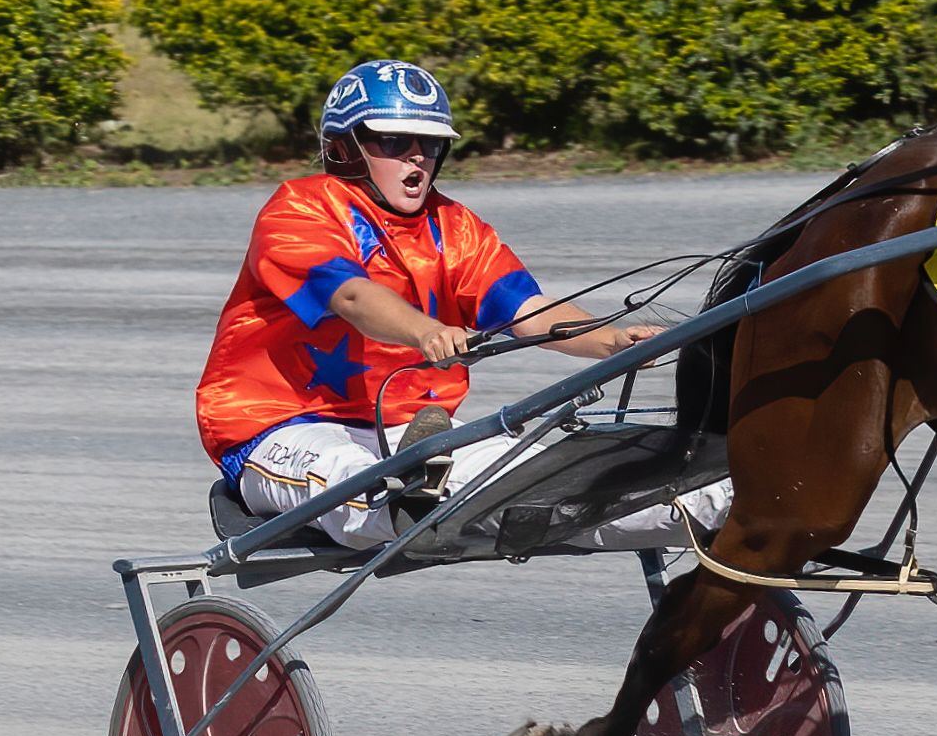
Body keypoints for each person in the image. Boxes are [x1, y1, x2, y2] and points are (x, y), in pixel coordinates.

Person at [195, 59, 731, 549]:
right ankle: (405, 504)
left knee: (546, 476)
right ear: (343, 147)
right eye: (395, 141)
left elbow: (531, 312)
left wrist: (612, 341)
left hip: (411, 434)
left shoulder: (457, 229)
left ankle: (725, 504)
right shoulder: (299, 210)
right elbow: (353, 296)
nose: (417, 158)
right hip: (279, 428)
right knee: (350, 477)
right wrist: (427, 332)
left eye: (429, 145)